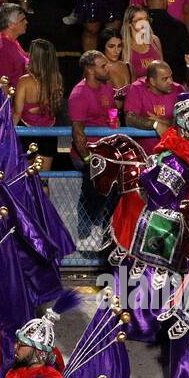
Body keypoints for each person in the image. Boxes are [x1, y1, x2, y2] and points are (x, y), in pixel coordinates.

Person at [69, 50, 118, 252]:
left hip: (108, 152)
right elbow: (78, 134)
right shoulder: (79, 94)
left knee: (112, 193)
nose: (107, 69)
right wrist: (90, 160)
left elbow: (112, 115)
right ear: (90, 69)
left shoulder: (107, 87)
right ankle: (84, 236)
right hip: (87, 154)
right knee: (91, 193)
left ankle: (104, 233)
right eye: (103, 66)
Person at [13, 39, 61, 169]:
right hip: (48, 133)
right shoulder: (57, 80)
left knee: (26, 179)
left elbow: (17, 112)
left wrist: (8, 134)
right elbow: (56, 108)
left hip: (27, 134)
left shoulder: (24, 81)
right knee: (43, 181)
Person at [122, 60, 179, 154]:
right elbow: (130, 119)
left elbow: (184, 121)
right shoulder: (137, 89)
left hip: (172, 154)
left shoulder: (178, 89)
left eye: (170, 76)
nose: (171, 81)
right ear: (152, 81)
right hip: (144, 156)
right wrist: (155, 124)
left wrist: (163, 122)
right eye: (165, 79)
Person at [145, 0, 189, 89]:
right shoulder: (179, 27)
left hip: (146, 86)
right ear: (166, 2)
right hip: (174, 84)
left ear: (145, 2)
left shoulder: (140, 29)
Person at [0, 2, 28, 89]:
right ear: (11, 25)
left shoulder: (10, 40)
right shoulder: (3, 49)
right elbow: (2, 86)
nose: (26, 22)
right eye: (22, 20)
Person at [122, 5, 164, 81]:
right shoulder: (124, 47)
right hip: (137, 89)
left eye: (146, 19)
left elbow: (163, 69)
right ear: (129, 23)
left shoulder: (154, 40)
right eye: (139, 20)